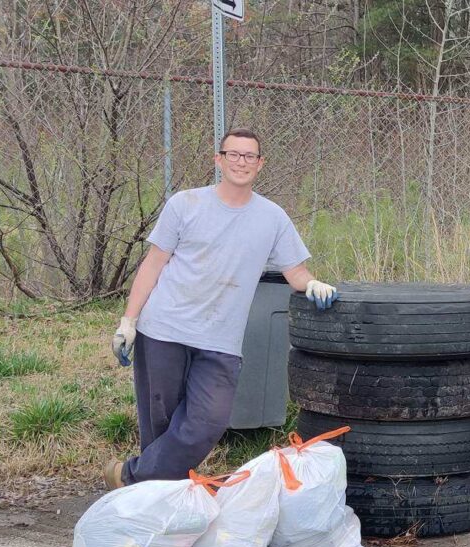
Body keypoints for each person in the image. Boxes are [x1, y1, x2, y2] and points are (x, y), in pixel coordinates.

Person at [104, 127, 337, 488]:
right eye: (233, 154)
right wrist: (128, 321)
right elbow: (153, 263)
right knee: (161, 426)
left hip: (220, 340)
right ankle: (159, 505)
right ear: (219, 159)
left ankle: (129, 477)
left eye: (249, 156)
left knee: (207, 423)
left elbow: (295, 271)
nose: (241, 162)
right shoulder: (185, 204)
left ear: (260, 164)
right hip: (164, 328)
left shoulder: (272, 217)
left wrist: (313, 285)